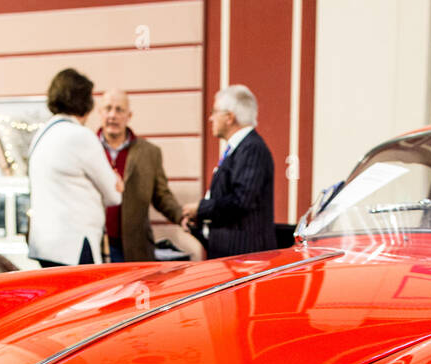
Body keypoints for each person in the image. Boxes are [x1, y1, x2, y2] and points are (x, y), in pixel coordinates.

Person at [27, 68, 122, 268]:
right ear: (85, 103)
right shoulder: (80, 136)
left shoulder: (41, 135)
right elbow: (114, 194)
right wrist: (116, 181)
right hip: (74, 246)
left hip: (45, 246)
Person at [181, 84, 276, 258]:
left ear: (229, 117)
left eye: (214, 112)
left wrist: (201, 208)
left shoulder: (252, 148)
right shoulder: (239, 148)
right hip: (230, 255)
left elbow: (241, 201)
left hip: (245, 259)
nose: (210, 118)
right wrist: (200, 219)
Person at [97, 89, 184, 262]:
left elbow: (161, 195)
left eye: (119, 110)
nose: (112, 115)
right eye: (108, 109)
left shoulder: (149, 152)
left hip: (135, 248)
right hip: (97, 245)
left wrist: (181, 216)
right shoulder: (87, 147)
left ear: (129, 115)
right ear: (100, 113)